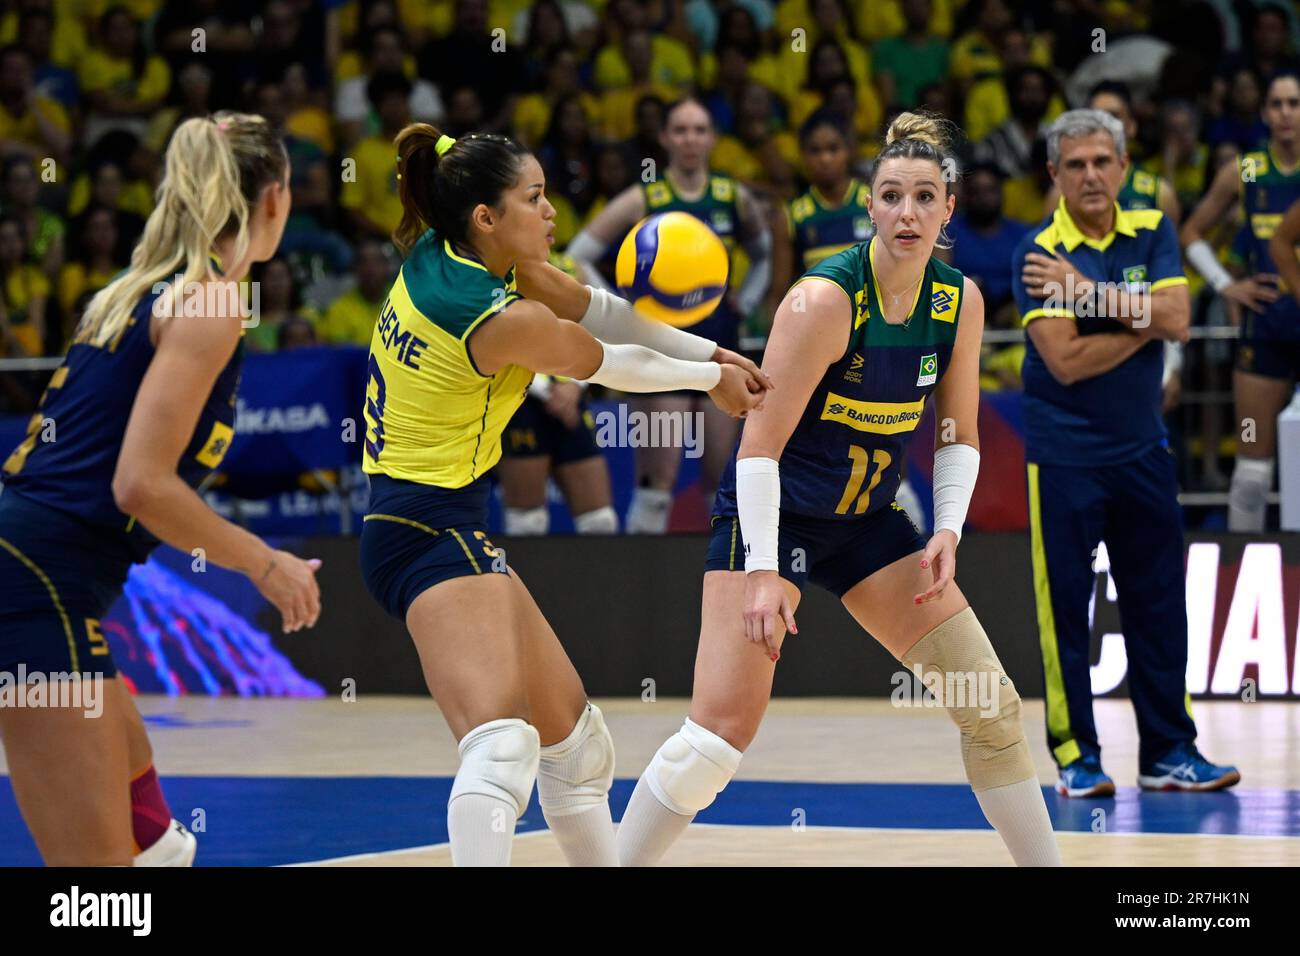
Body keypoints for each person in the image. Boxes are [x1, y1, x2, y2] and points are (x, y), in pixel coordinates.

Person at [617, 112, 1062, 867]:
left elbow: (957, 433)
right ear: (870, 207)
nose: (908, 213)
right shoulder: (822, 302)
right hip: (775, 516)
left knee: (992, 712)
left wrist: (946, 528)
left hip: (869, 525)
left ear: (949, 207)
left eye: (925, 197)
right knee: (717, 740)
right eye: (892, 196)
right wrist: (763, 570)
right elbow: (758, 449)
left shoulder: (960, 302)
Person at [360, 124, 769, 866]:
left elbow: (601, 310)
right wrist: (712, 383)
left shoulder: (455, 250)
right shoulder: (494, 313)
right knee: (503, 747)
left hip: (438, 523)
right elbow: (609, 360)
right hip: (421, 527)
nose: (553, 213)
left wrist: (713, 352)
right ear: (487, 216)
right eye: (535, 198)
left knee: (577, 749)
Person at [0, 112, 323, 866]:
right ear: (274, 199)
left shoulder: (137, 292)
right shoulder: (210, 303)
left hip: (41, 580)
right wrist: (261, 561)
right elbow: (140, 485)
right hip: (34, 588)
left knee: (158, 846)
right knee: (99, 894)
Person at [1013, 108, 1239, 797]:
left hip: (1145, 450)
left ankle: (1169, 752)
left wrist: (1085, 293)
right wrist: (1142, 316)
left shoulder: (1154, 227)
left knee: (1160, 606)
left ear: (1122, 167)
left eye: (1101, 162)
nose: (1090, 176)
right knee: (1067, 618)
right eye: (1074, 164)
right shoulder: (1037, 250)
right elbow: (1068, 360)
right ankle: (1077, 757)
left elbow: (1181, 318)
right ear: (1053, 175)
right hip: (1064, 457)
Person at [569, 97, 772, 533]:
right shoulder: (645, 196)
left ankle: (717, 582)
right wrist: (617, 312)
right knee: (656, 483)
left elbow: (763, 253)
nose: (690, 139)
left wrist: (748, 299)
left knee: (720, 481)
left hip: (721, 341)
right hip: (661, 344)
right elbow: (579, 254)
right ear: (664, 138)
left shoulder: (731, 196)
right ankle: (643, 593)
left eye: (700, 129)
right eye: (680, 130)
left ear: (712, 138)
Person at [1183, 71, 1300, 530]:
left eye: (1294, 103)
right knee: (1253, 473)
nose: (1286, 113)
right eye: (1277, 104)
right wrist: (1223, 284)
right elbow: (1191, 231)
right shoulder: (1245, 170)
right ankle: (1240, 571)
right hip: (1266, 323)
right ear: (1264, 113)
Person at [499, 250, 618, 535]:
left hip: (571, 393)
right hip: (520, 400)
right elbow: (494, 336)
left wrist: (576, 386)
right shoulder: (496, 269)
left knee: (600, 522)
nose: (549, 216)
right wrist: (548, 390)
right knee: (527, 523)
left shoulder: (573, 267)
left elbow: (610, 321)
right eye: (534, 203)